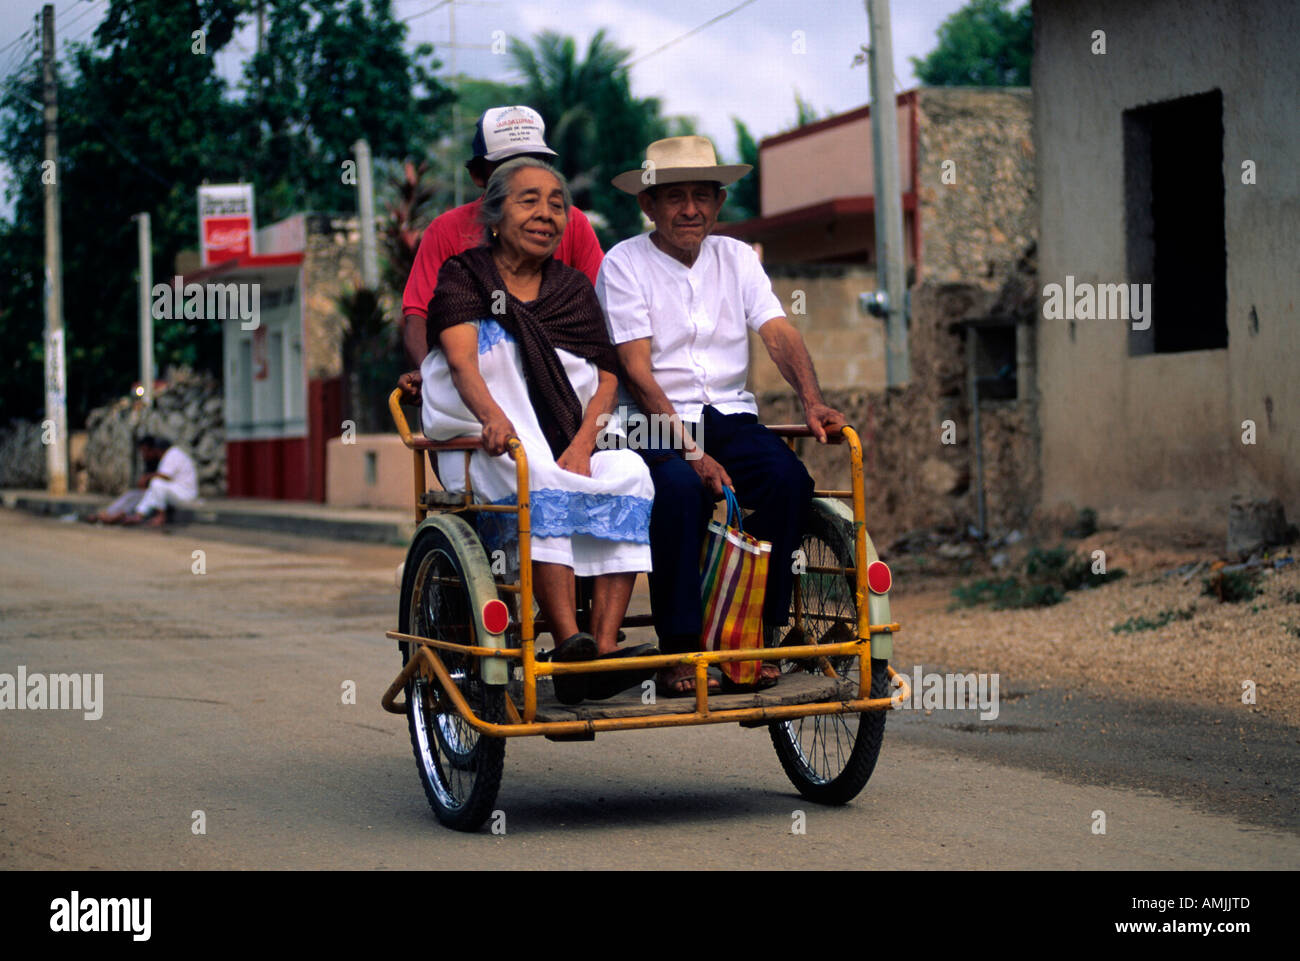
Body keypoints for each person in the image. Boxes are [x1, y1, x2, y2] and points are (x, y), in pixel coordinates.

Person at [596, 136, 846, 697]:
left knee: (789, 481)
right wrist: (693, 452)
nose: (690, 209)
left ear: (720, 201)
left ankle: (748, 631)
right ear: (649, 206)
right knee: (681, 491)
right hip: (648, 420)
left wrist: (811, 399)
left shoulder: (736, 257)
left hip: (729, 413)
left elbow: (777, 330)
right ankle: (681, 648)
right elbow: (636, 370)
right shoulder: (623, 264)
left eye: (703, 196)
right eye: (676, 196)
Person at [419, 157, 654, 705]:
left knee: (631, 471)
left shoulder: (572, 290)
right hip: (481, 440)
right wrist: (492, 417)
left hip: (567, 435)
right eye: (529, 201)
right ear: (495, 216)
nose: (546, 214)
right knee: (538, 476)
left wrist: (581, 444)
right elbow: (462, 364)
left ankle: (601, 646)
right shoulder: (464, 276)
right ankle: (568, 642)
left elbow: (606, 378)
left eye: (556, 204)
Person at [398, 105, 604, 381]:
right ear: (478, 176)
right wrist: (434, 380)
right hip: (469, 385)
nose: (523, 177)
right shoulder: (446, 231)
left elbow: (602, 305)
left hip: (561, 382)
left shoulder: (572, 222)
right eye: (507, 167)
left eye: (533, 163)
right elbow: (418, 316)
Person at [87, 435, 198, 528]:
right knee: (134, 493)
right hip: (172, 491)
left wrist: (146, 478)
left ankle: (159, 516)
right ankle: (116, 514)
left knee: (156, 484)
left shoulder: (173, 454)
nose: (144, 455)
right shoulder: (162, 458)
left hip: (185, 493)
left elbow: (164, 477)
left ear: (155, 449)